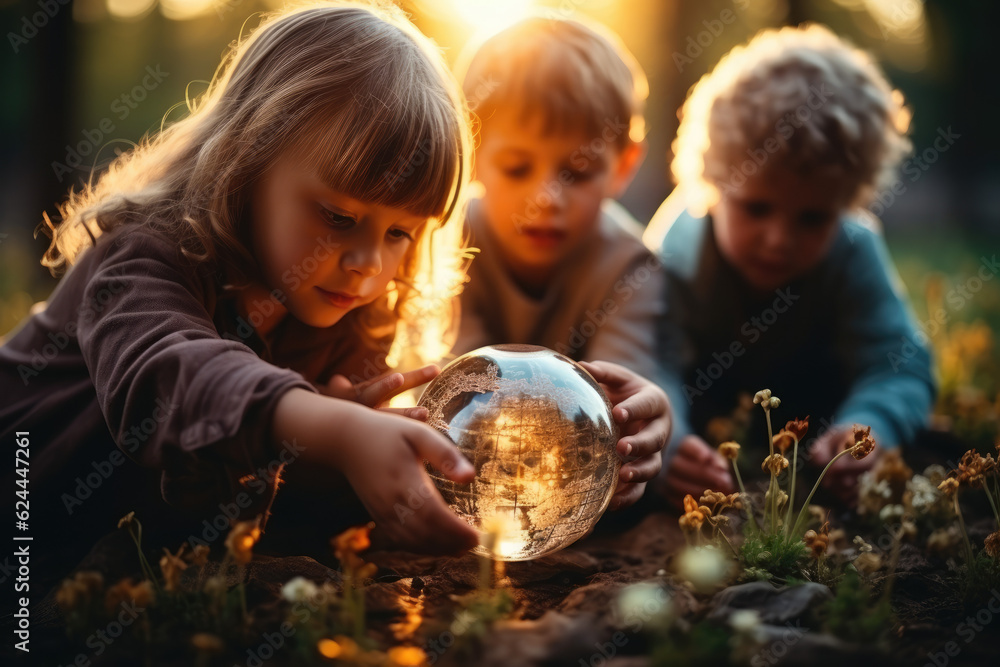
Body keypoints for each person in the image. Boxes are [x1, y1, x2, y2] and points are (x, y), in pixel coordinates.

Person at [645, 24, 935, 507]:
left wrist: (872, 427)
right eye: (756, 208)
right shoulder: (676, 250)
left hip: (815, 436)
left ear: (850, 204)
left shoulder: (853, 248)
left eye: (813, 217)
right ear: (710, 183)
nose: (779, 239)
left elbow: (900, 364)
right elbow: (649, 363)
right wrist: (667, 442)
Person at [450, 17, 669, 511]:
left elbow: (622, 391)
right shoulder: (451, 242)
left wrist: (635, 427)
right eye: (516, 168)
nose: (546, 198)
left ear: (625, 166)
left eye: (577, 171)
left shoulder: (631, 266)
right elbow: (458, 380)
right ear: (472, 154)